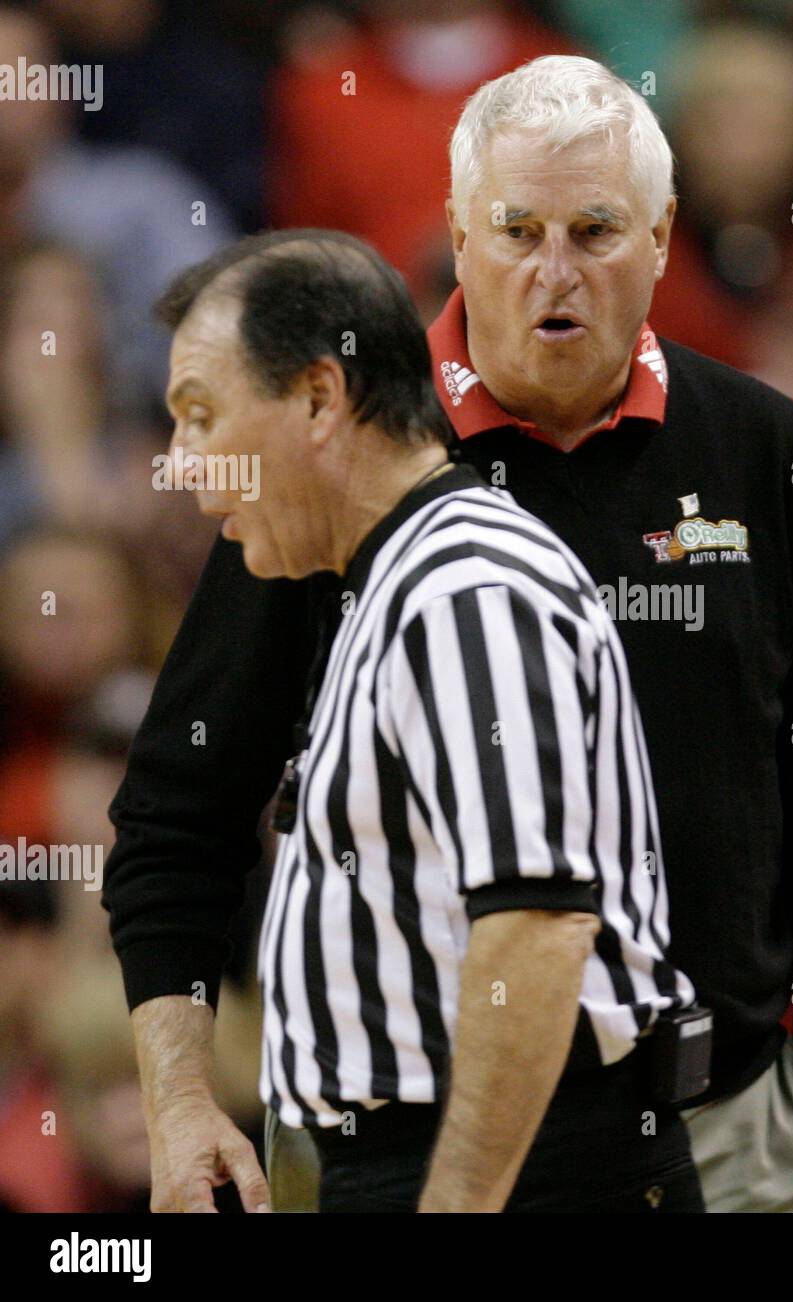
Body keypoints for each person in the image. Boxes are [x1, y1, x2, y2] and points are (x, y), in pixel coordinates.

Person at [104, 55, 793, 1213]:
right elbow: (180, 811)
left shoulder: (758, 444)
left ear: (664, 236)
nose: (554, 273)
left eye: (594, 231)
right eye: (518, 230)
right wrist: (179, 1105)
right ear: (457, 233)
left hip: (724, 1120)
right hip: (394, 1138)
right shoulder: (335, 463)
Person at [135, 227, 704, 1213]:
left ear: (319, 397)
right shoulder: (393, 577)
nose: (180, 465)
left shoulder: (461, 593)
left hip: (514, 1170)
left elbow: (535, 925)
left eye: (199, 416)